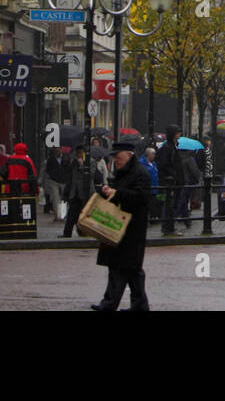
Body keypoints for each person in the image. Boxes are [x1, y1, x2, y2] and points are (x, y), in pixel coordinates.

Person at [91, 142, 150, 311]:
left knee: (120, 268)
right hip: (120, 227)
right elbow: (119, 193)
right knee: (132, 270)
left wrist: (116, 193)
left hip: (131, 229)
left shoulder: (140, 174)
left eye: (118, 157)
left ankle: (109, 304)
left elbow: (141, 197)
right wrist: (107, 191)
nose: (115, 160)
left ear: (129, 155)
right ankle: (139, 306)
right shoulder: (123, 173)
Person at [155, 125, 186, 236]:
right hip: (171, 182)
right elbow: (165, 164)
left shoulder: (173, 146)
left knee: (172, 204)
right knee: (169, 204)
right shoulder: (168, 148)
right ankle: (168, 227)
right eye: (177, 133)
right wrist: (173, 175)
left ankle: (169, 227)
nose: (179, 135)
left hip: (174, 180)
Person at [61, 145, 96, 238]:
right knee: (71, 214)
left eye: (80, 153)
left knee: (84, 214)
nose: (78, 155)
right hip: (74, 192)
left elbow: (91, 175)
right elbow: (70, 176)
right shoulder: (74, 162)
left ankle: (83, 232)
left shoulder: (91, 161)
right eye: (77, 153)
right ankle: (67, 233)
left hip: (86, 193)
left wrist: (81, 165)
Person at [43, 147, 65, 220]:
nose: (58, 151)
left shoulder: (65, 158)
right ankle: (57, 215)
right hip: (54, 181)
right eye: (56, 149)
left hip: (63, 181)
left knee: (64, 198)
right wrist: (52, 175)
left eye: (59, 149)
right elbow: (48, 169)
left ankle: (63, 214)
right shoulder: (51, 159)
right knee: (55, 198)